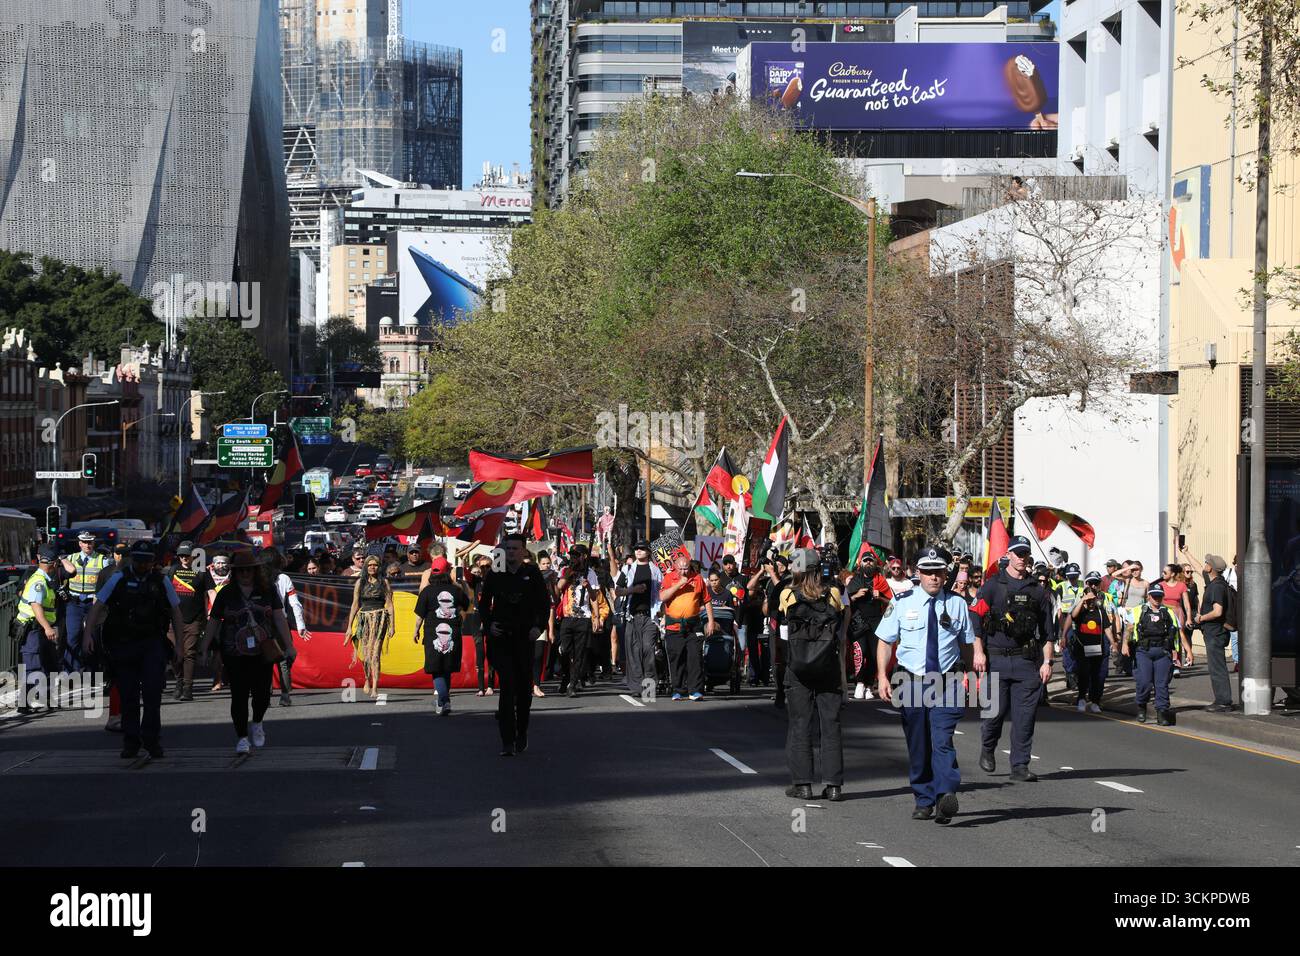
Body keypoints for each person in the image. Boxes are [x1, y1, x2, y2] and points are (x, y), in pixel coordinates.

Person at [876, 545, 979, 823]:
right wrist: (883, 676)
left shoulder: (958, 604)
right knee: (919, 743)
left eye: (939, 572)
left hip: (948, 681)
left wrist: (970, 675)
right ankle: (924, 797)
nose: (934, 577)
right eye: (928, 572)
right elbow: (885, 641)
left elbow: (966, 645)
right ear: (918, 573)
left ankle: (946, 795)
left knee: (942, 739)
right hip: (910, 681)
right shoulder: (902, 601)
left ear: (946, 575)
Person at [85, 542, 184, 760]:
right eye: (139, 560)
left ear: (152, 561)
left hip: (152, 644)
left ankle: (152, 741)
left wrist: (179, 645)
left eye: (146, 560)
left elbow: (176, 612)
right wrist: (87, 635)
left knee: (152, 695)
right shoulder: (118, 578)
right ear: (133, 559)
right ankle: (131, 742)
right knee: (128, 695)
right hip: (124, 644)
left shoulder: (161, 580)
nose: (142, 564)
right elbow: (98, 606)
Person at [969, 534, 1055, 782]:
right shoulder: (992, 586)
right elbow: (975, 618)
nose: (1021, 558)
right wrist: (978, 651)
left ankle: (1020, 765)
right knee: (994, 713)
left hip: (1026, 663)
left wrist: (1047, 663)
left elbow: (1048, 633)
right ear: (1007, 555)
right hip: (995, 660)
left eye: (1025, 553)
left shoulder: (1038, 592)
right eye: (1017, 553)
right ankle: (988, 746)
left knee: (1025, 718)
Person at [200, 550, 293, 754]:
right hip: (234, 652)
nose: (244, 574)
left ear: (255, 571)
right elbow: (214, 621)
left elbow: (279, 618)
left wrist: (289, 645)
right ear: (235, 572)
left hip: (263, 650)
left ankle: (257, 721)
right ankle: (242, 737)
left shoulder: (268, 590)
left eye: (248, 570)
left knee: (262, 696)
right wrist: (205, 647)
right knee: (239, 696)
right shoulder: (226, 593)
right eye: (240, 571)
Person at [780, 549, 849, 802]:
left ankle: (803, 784)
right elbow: (841, 631)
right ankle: (833, 786)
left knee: (800, 724)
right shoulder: (832, 593)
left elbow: (782, 633)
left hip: (798, 667)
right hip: (828, 666)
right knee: (831, 726)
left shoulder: (788, 594)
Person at [478, 534, 551, 756]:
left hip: (524, 637)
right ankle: (507, 741)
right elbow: (483, 604)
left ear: (523, 551)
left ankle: (522, 732)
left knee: (522, 690)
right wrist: (489, 625)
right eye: (508, 548)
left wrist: (538, 627)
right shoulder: (495, 574)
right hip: (501, 638)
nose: (511, 552)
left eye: (515, 549)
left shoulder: (532, 573)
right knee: (507, 687)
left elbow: (543, 604)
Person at [659, 549, 717, 701]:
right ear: (675, 567)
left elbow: (707, 600)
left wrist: (711, 621)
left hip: (693, 626)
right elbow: (662, 596)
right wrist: (679, 584)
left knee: (695, 657)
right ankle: (678, 690)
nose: (684, 571)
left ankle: (695, 690)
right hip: (674, 627)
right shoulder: (668, 578)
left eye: (686, 568)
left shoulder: (697, 579)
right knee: (676, 658)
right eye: (681, 568)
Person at [414, 557, 468, 715]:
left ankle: (444, 700)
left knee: (437, 668)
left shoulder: (427, 591)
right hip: (453, 632)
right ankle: (444, 701)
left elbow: (419, 616)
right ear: (447, 572)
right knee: (447, 668)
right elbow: (466, 604)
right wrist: (459, 583)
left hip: (432, 632)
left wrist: (415, 631)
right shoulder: (456, 590)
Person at [555, 546, 609, 697]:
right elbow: (558, 587)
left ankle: (572, 684)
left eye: (576, 555)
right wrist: (568, 574)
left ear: (583, 556)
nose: (573, 558)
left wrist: (596, 617)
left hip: (583, 618)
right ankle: (567, 675)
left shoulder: (590, 573)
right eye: (571, 555)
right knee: (563, 650)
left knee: (579, 653)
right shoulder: (566, 570)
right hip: (567, 616)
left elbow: (594, 598)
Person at [1125, 581, 1180, 725]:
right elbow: (1129, 628)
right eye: (1154, 596)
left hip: (1162, 651)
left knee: (1161, 684)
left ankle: (1162, 713)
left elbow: (1177, 633)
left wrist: (1180, 652)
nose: (1157, 599)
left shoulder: (1168, 612)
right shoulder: (1139, 611)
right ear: (1148, 596)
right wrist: (1124, 644)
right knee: (1144, 682)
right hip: (1144, 651)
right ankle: (1141, 707)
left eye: (1159, 597)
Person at [14, 547, 61, 714]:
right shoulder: (39, 582)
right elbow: (36, 606)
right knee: (32, 665)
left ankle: (46, 697)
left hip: (39, 628)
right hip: (34, 628)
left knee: (49, 662)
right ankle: (24, 703)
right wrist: (47, 627)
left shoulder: (43, 578)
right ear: (53, 563)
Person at [613, 541, 661, 697]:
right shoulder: (627, 569)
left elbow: (662, 593)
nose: (638, 551)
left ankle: (649, 689)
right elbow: (618, 591)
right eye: (636, 549)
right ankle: (636, 688)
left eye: (642, 549)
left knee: (648, 649)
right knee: (634, 652)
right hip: (632, 616)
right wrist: (633, 589)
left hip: (650, 616)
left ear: (648, 552)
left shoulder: (655, 571)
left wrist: (663, 615)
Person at [166, 541, 212, 702]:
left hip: (194, 620)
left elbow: (211, 592)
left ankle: (187, 687)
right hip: (173, 620)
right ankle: (179, 680)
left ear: (193, 555)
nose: (184, 558)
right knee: (173, 653)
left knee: (189, 653)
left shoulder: (202, 572)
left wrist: (214, 612)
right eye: (181, 555)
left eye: (187, 555)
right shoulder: (172, 571)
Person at [265, 547, 311, 706]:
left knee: (265, 661)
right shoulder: (284, 578)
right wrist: (301, 625)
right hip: (280, 624)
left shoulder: (257, 579)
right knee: (284, 660)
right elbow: (295, 604)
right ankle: (285, 695)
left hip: (262, 624)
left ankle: (265, 694)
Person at [344, 554, 394, 697]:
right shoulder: (360, 582)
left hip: (380, 618)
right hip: (364, 619)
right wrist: (349, 627)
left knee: (376, 654)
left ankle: (375, 687)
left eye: (375, 565)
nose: (372, 567)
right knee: (366, 654)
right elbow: (355, 604)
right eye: (370, 565)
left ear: (379, 567)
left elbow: (390, 604)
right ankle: (367, 679)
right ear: (366, 566)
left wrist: (392, 626)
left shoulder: (384, 582)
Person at [60, 530, 109, 673]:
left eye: (90, 542)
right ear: (79, 543)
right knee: (72, 638)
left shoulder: (102, 560)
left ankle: (92, 672)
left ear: (94, 543)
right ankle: (71, 673)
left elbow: (108, 579)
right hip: (74, 604)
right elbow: (60, 576)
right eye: (85, 542)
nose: (88, 545)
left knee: (93, 638)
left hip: (93, 604)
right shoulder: (71, 558)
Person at [1069, 571, 1115, 712]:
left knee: (1098, 675)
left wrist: (1113, 643)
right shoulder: (1081, 610)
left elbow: (1106, 627)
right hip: (1083, 648)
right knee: (1084, 674)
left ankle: (1095, 701)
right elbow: (1073, 616)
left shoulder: (1100, 611)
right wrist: (1083, 600)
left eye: (1092, 599)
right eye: (1089, 599)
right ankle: (1082, 698)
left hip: (1098, 648)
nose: (1091, 601)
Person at [845, 552, 890, 700]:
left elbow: (891, 602)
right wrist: (856, 595)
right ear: (861, 564)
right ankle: (859, 682)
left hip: (876, 622)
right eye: (866, 561)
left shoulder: (881, 580)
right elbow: (845, 601)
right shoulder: (855, 580)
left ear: (875, 564)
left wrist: (880, 597)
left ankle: (869, 685)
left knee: (873, 654)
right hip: (858, 622)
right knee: (860, 652)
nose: (868, 563)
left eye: (871, 561)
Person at [1195, 554, 1235, 712]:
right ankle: (1222, 699)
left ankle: (1223, 701)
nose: (1204, 564)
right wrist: (1186, 552)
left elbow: (1217, 612)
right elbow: (1200, 570)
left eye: (1206, 562)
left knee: (1217, 667)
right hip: (1214, 632)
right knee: (1216, 666)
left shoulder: (1217, 587)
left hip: (1215, 633)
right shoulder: (1216, 582)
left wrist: (1200, 618)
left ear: (1210, 567)